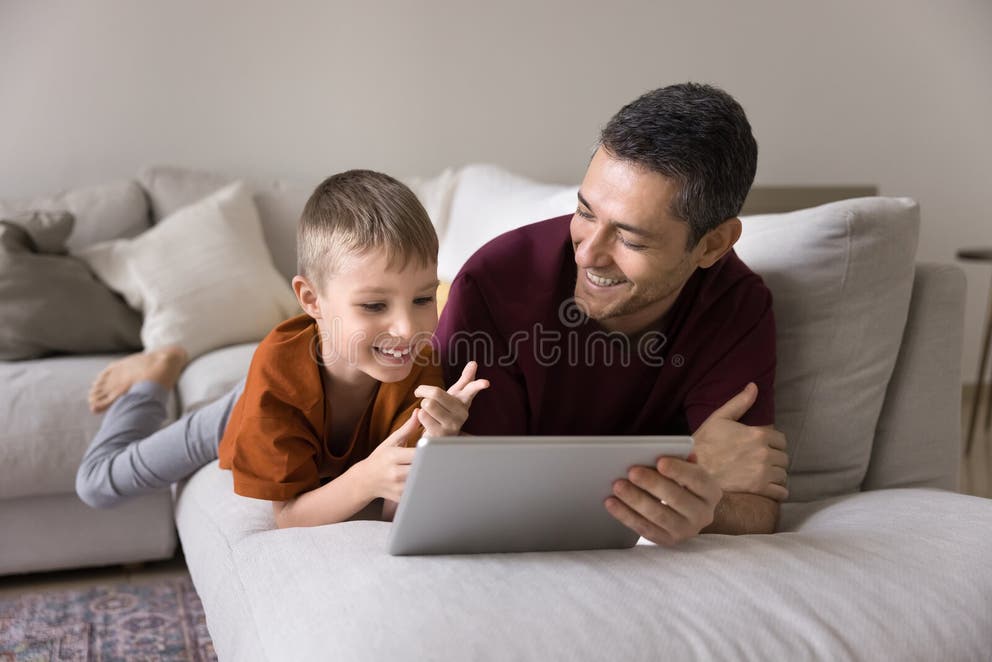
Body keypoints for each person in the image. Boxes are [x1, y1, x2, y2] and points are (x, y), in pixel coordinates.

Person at [435, 83, 789, 546]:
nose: (589, 255)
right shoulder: (492, 285)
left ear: (713, 245)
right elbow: (470, 491)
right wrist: (693, 467)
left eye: (631, 239)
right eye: (585, 213)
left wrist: (707, 509)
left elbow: (757, 506)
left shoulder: (736, 304)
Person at [76, 170, 489, 527]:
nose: (408, 328)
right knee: (98, 485)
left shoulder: (420, 365)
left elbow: (390, 514)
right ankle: (159, 371)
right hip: (245, 408)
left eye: (422, 299)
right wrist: (365, 478)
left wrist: (434, 446)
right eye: (374, 305)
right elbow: (289, 516)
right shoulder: (279, 376)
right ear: (311, 300)